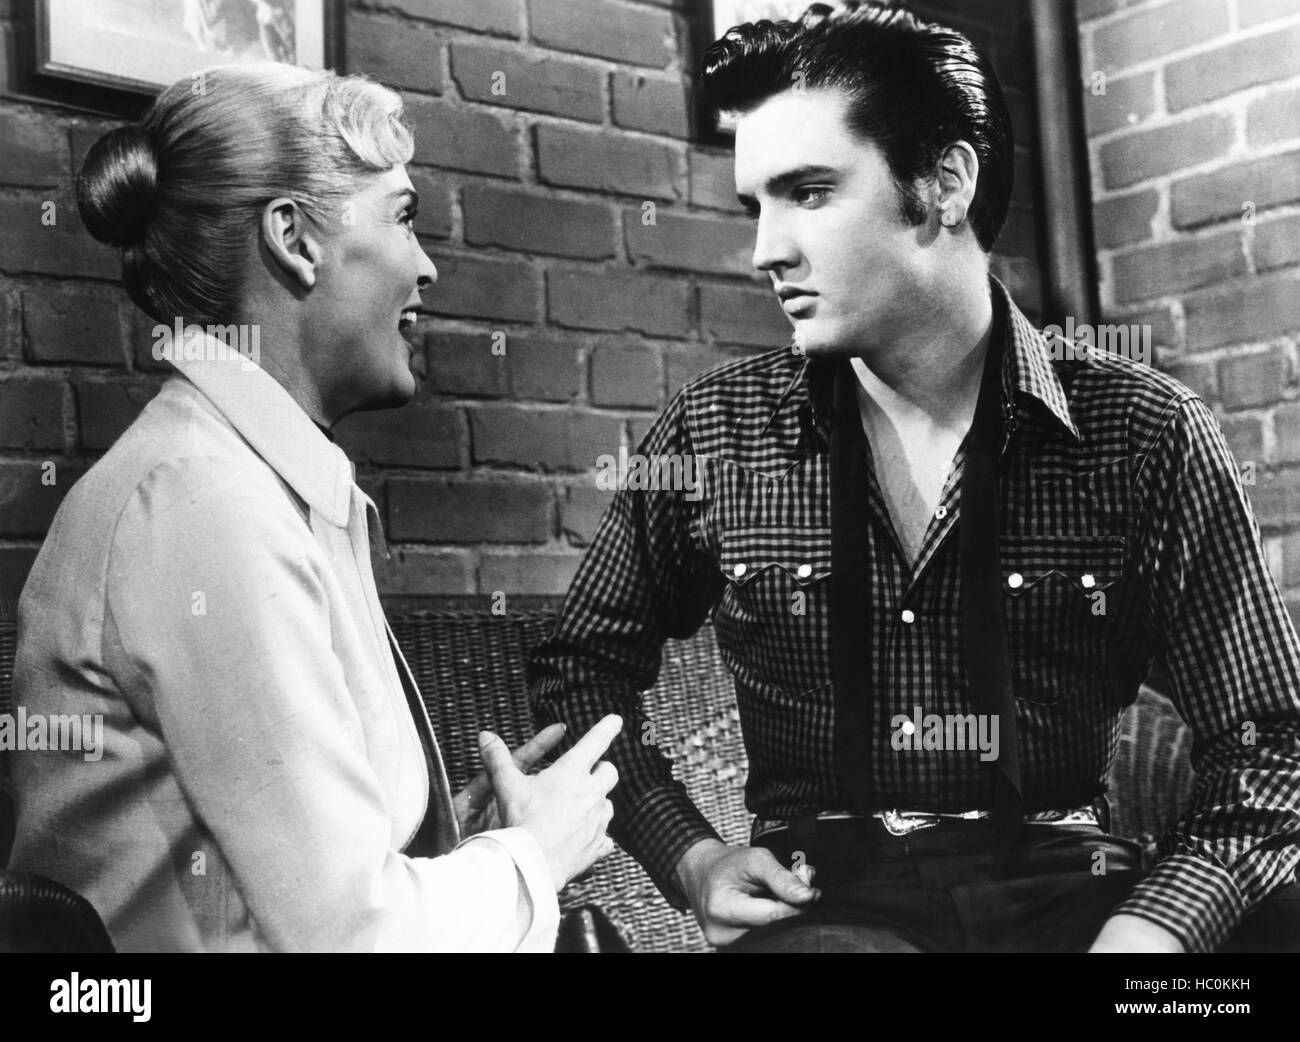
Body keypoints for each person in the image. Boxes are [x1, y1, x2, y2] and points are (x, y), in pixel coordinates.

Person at [530, 1, 1300, 953]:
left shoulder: (1144, 431)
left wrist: (1155, 932)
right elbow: (579, 670)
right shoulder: (717, 430)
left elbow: (1271, 744)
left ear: (944, 184)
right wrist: (688, 857)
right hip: (831, 910)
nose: (766, 249)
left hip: (1079, 894)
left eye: (808, 192)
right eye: (755, 204)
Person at [8, 62, 620, 953]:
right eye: (404, 217)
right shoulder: (203, 504)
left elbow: (271, 881)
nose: (428, 265)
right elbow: (349, 943)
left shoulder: (239, 476)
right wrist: (534, 854)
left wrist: (447, 839)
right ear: (296, 238)